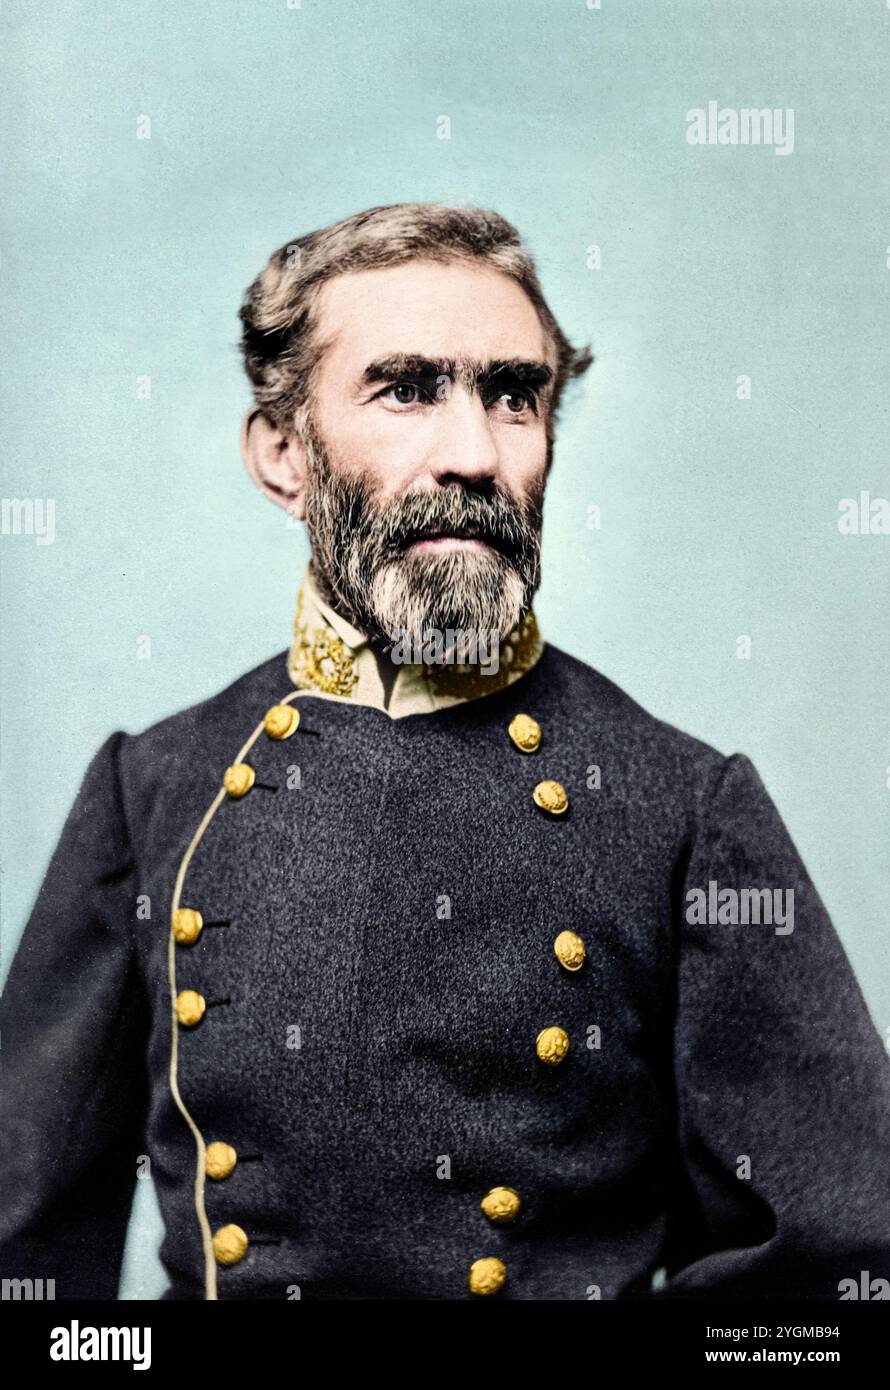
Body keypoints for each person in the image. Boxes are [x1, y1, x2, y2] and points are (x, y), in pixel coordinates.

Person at [2, 203, 888, 1302]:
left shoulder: (683, 808)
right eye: (407, 388)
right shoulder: (153, 791)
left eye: (513, 395)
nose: (471, 452)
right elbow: (25, 1249)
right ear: (282, 454)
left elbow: (833, 1278)